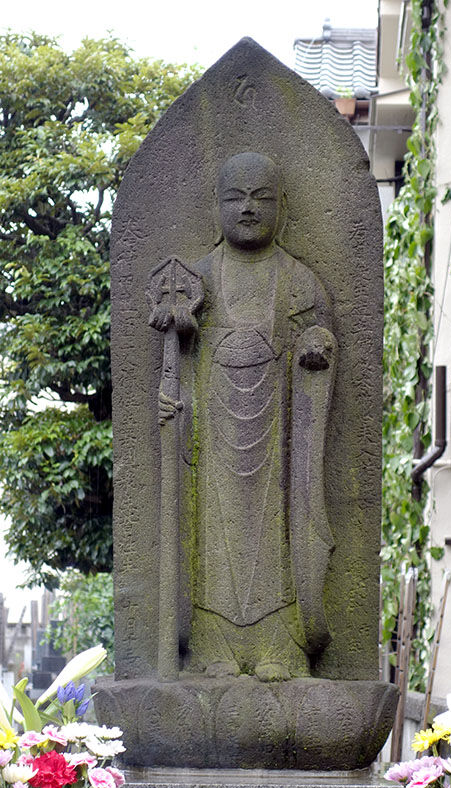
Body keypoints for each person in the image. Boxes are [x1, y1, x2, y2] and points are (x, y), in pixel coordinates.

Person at [152, 152, 338, 681]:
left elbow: (319, 333)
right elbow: (180, 359)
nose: (248, 208)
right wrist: (174, 401)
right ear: (216, 208)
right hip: (211, 441)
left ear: (283, 208)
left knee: (279, 537)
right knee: (212, 544)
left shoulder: (299, 281)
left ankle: (281, 646)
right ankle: (213, 647)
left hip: (280, 438)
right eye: (235, 198)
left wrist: (315, 347)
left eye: (262, 198)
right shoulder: (196, 280)